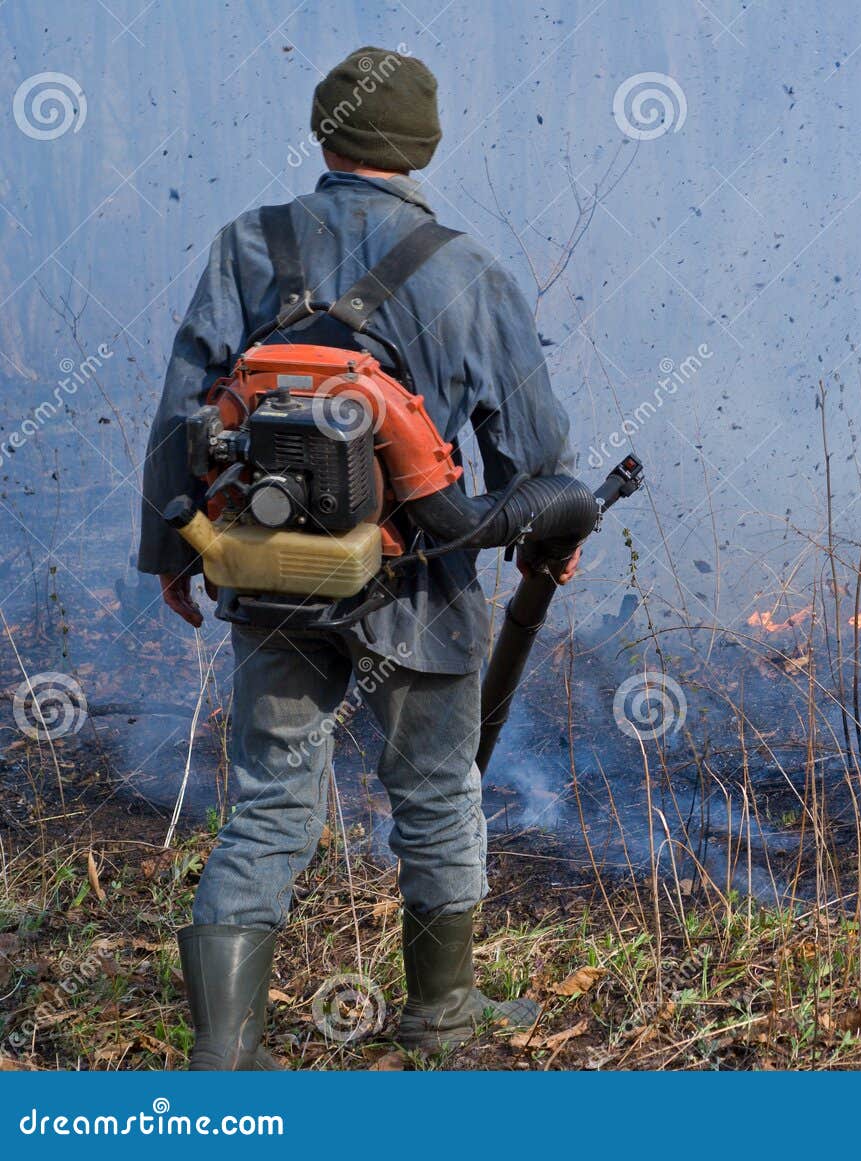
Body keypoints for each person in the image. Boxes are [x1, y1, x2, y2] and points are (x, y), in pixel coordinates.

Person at [136, 46, 576, 1068]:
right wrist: (550, 540)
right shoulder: (470, 270)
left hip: (268, 579)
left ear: (322, 133)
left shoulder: (248, 243)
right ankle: (442, 1025)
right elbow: (537, 460)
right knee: (434, 798)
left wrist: (174, 549)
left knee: (270, 802)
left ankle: (223, 1063)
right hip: (421, 590)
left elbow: (181, 413)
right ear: (421, 148)